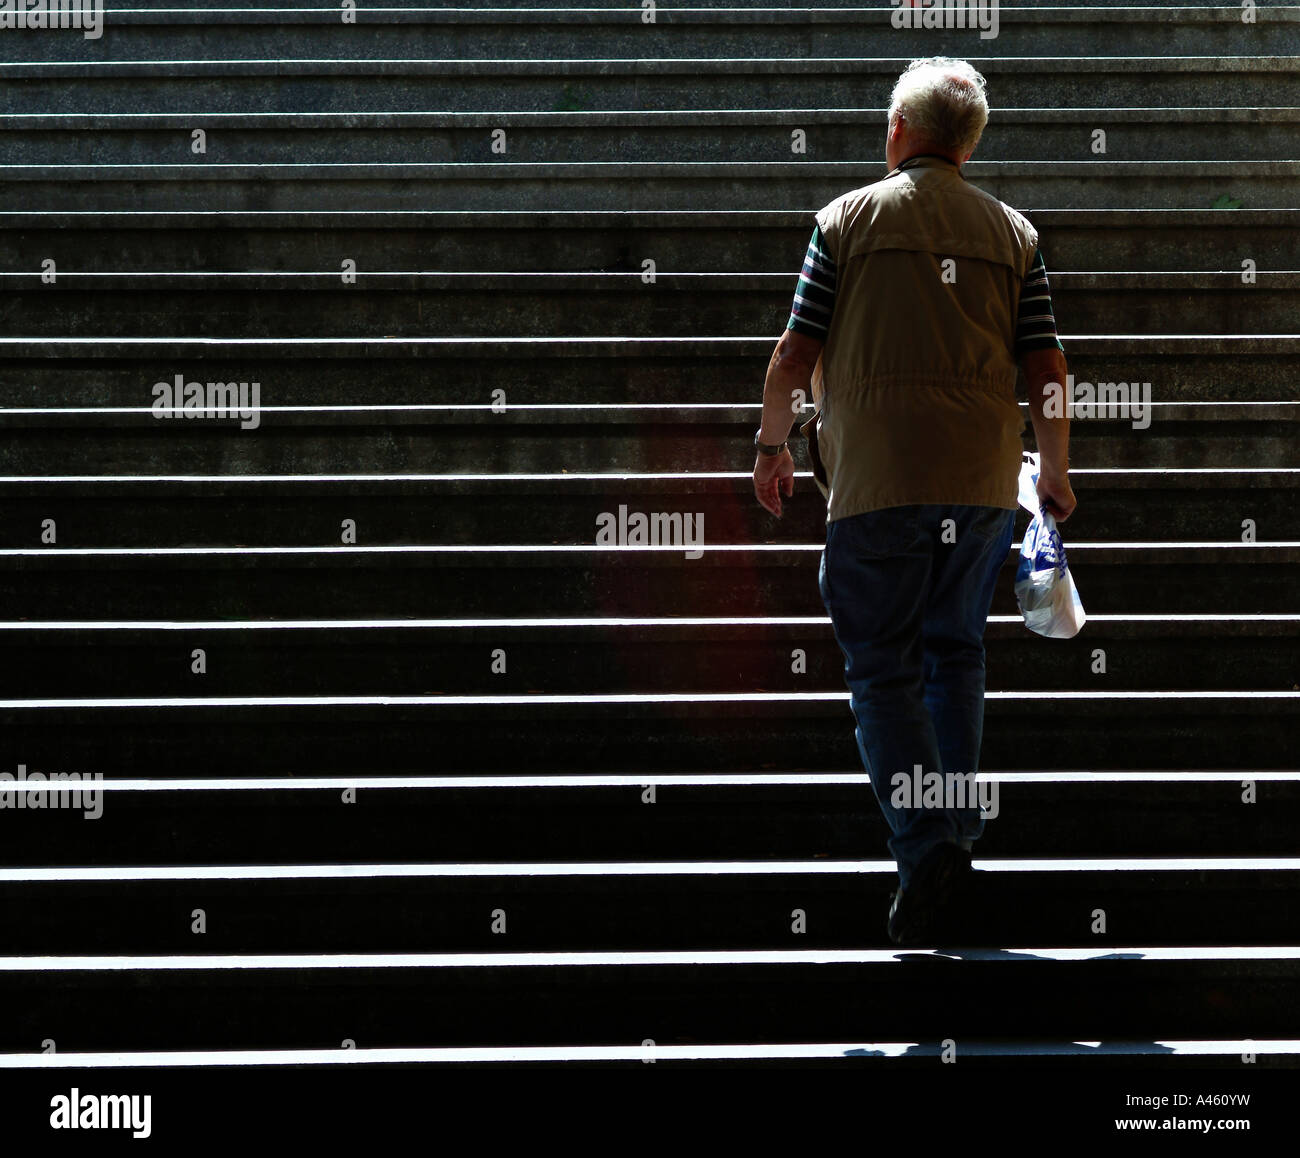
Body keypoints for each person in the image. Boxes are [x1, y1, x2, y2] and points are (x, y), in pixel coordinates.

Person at [751, 56, 1077, 945]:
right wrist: (1053, 470)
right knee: (956, 657)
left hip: (874, 484)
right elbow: (1046, 366)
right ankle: (950, 846)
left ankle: (927, 848)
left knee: (883, 671)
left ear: (897, 132)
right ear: (967, 144)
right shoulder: (1015, 234)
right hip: (977, 487)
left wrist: (773, 445)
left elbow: (791, 354)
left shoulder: (844, 221)